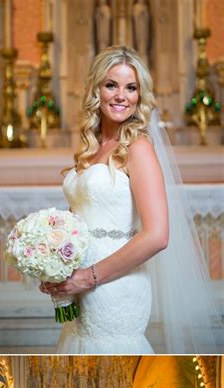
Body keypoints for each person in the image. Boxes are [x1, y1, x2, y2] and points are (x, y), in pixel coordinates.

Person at [40, 46, 222, 354]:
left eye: (131, 87)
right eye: (111, 85)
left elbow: (157, 236)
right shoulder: (91, 148)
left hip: (114, 285)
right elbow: (75, 222)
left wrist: (89, 277)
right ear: (96, 90)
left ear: (140, 95)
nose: (121, 96)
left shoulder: (138, 148)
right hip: (78, 283)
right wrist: (53, 264)